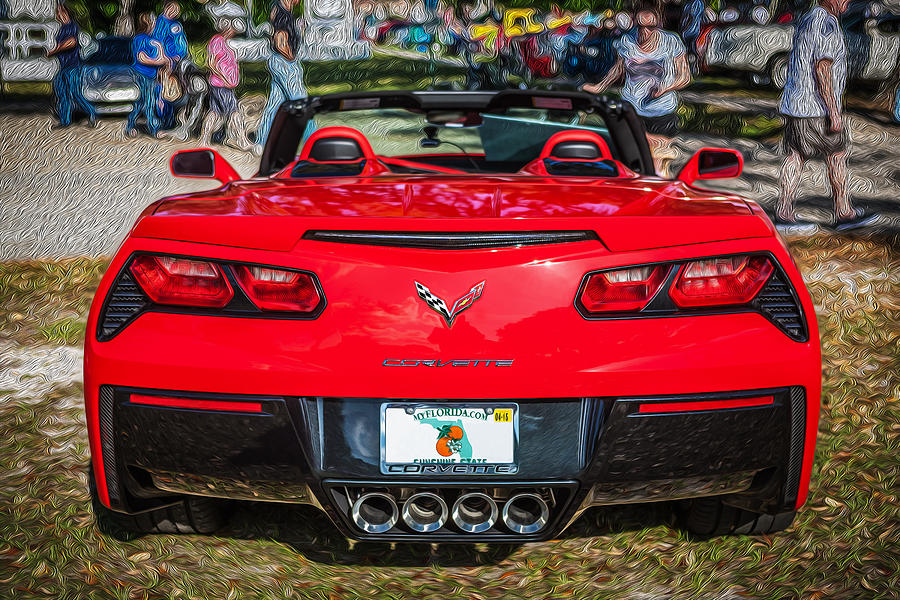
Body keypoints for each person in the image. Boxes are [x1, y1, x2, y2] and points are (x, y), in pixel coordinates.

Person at [776, 0, 875, 230]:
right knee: (836, 155)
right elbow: (823, 68)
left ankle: (784, 210)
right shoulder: (827, 22)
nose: (847, 2)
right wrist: (834, 111)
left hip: (796, 105)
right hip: (816, 107)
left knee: (795, 155)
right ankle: (843, 212)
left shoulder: (808, 18)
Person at [582, 8, 691, 176]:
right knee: (632, 161)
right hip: (631, 108)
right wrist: (600, 86)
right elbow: (618, 69)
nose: (644, 32)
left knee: (658, 162)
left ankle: (659, 192)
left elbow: (685, 76)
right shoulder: (627, 41)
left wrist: (665, 89)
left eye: (650, 27)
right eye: (640, 26)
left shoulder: (671, 41)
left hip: (662, 111)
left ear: (658, 25)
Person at [255, 0, 308, 153]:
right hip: (285, 63)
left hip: (277, 61)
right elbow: (280, 40)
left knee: (275, 104)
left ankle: (261, 141)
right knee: (301, 102)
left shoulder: (279, 10)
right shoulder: (282, 14)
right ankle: (312, 138)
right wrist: (291, 57)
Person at [200, 18, 252, 150]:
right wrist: (225, 78)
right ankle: (242, 140)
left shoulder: (222, 42)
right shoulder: (217, 41)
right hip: (220, 85)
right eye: (233, 29)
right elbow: (211, 63)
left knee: (215, 112)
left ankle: (204, 140)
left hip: (222, 85)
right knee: (234, 111)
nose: (233, 32)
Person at [47, 3, 97, 129]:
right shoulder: (62, 29)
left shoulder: (72, 26)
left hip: (73, 67)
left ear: (64, 12)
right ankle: (65, 121)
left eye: (58, 12)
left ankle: (91, 113)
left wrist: (55, 49)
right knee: (62, 94)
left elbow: (72, 42)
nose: (56, 14)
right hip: (63, 67)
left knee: (75, 93)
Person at [126, 13, 168, 138]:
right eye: (153, 22)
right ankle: (154, 129)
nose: (154, 24)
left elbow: (163, 55)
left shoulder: (155, 40)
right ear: (147, 24)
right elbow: (141, 58)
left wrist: (161, 51)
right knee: (149, 102)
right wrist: (159, 61)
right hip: (142, 75)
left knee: (141, 102)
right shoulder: (139, 39)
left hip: (153, 75)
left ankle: (130, 125)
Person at [152, 1, 189, 129]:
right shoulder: (159, 23)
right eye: (172, 9)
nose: (175, 12)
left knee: (175, 90)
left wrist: (180, 55)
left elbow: (181, 42)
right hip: (164, 62)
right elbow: (157, 42)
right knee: (162, 90)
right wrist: (165, 58)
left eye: (177, 10)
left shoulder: (176, 24)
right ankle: (162, 120)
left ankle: (172, 119)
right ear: (166, 8)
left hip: (177, 63)